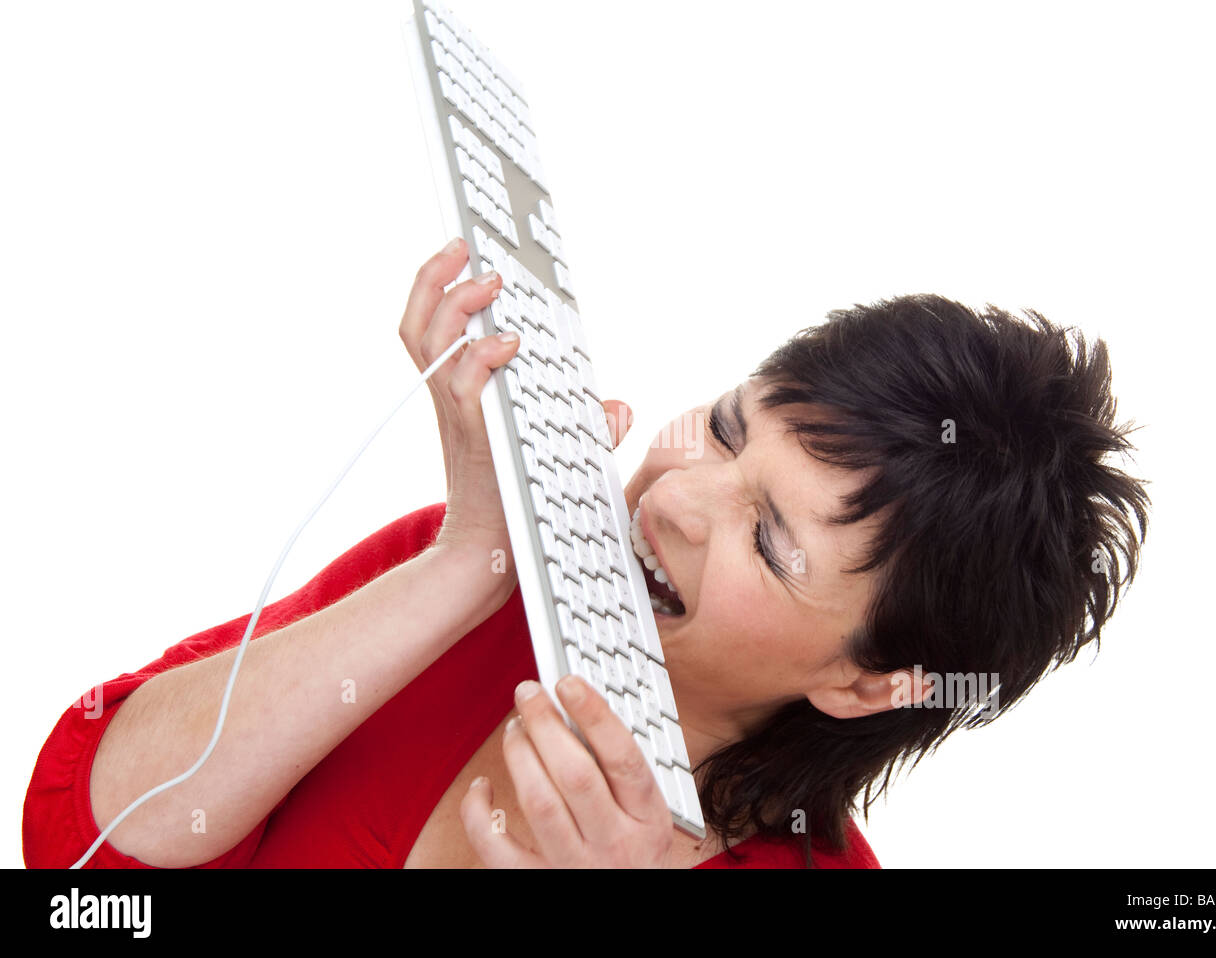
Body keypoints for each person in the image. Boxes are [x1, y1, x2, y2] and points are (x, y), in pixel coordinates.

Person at [23, 237, 1148, 868]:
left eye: (767, 539)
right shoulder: (468, 587)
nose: (676, 498)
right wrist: (465, 559)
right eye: (720, 428)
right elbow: (87, 844)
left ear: (861, 677)